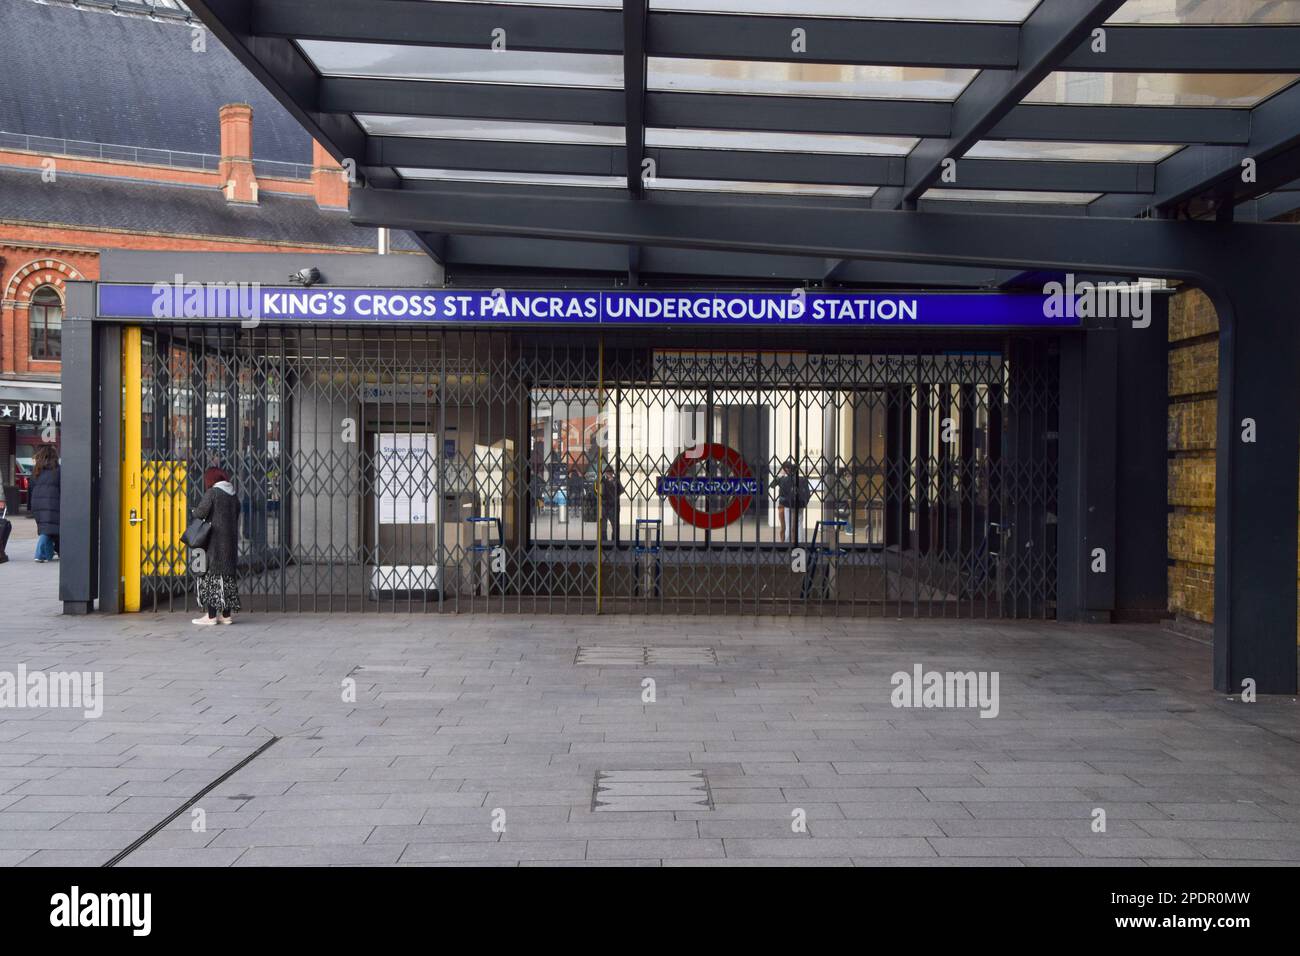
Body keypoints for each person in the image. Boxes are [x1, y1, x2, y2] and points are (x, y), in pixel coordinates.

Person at [191, 466, 241, 626]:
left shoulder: (212, 493)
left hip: (214, 541)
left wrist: (193, 510)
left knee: (211, 577)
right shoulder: (233, 495)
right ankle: (226, 616)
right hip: (230, 542)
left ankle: (211, 616)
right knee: (226, 578)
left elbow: (200, 513)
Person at [29, 445, 60, 562]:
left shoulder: (36, 471)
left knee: (47, 528)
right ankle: (40, 554)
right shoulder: (58, 470)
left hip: (37, 504)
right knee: (48, 530)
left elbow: (30, 489)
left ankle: (49, 554)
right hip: (53, 503)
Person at [774, 459, 810, 545]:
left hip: (787, 504)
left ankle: (787, 544)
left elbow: (774, 487)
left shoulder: (784, 480)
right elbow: (808, 493)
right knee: (799, 525)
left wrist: (780, 476)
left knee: (788, 526)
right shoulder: (802, 479)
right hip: (799, 504)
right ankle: (800, 543)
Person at [599, 464, 622, 547]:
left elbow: (620, 490)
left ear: (612, 473)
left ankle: (614, 542)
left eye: (610, 472)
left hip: (613, 506)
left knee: (615, 526)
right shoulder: (601, 480)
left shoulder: (616, 480)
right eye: (607, 472)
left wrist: (613, 482)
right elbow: (597, 490)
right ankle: (604, 543)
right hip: (604, 506)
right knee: (603, 527)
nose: (609, 474)